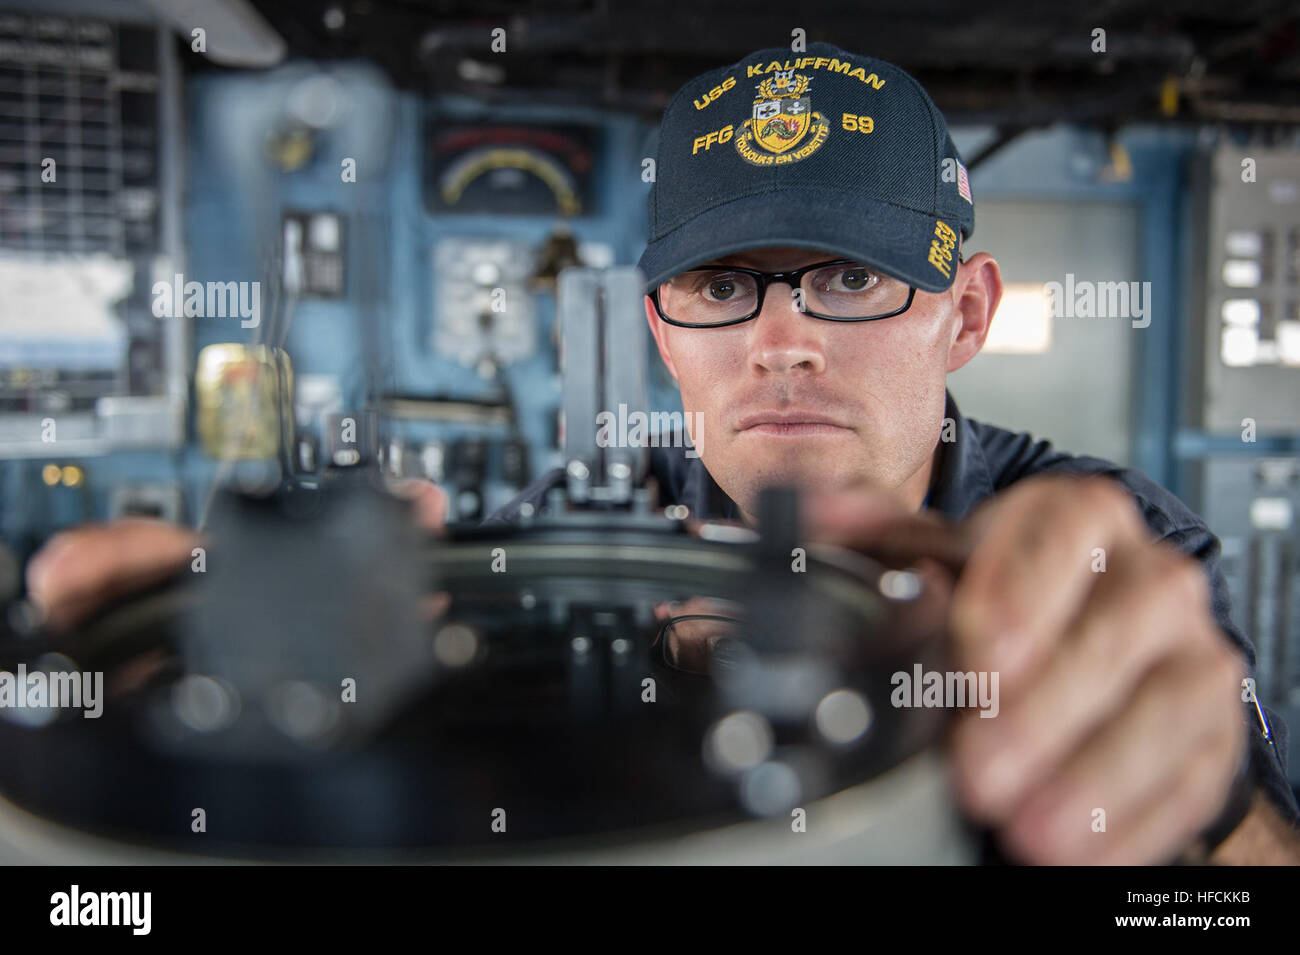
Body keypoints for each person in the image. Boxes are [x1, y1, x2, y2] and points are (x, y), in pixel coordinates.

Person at [25, 42, 1300, 865]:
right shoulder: (550, 556)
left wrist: (1196, 809)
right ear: (659, 330)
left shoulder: (1116, 546)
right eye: (718, 287)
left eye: (849, 276)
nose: (781, 343)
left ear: (963, 313)